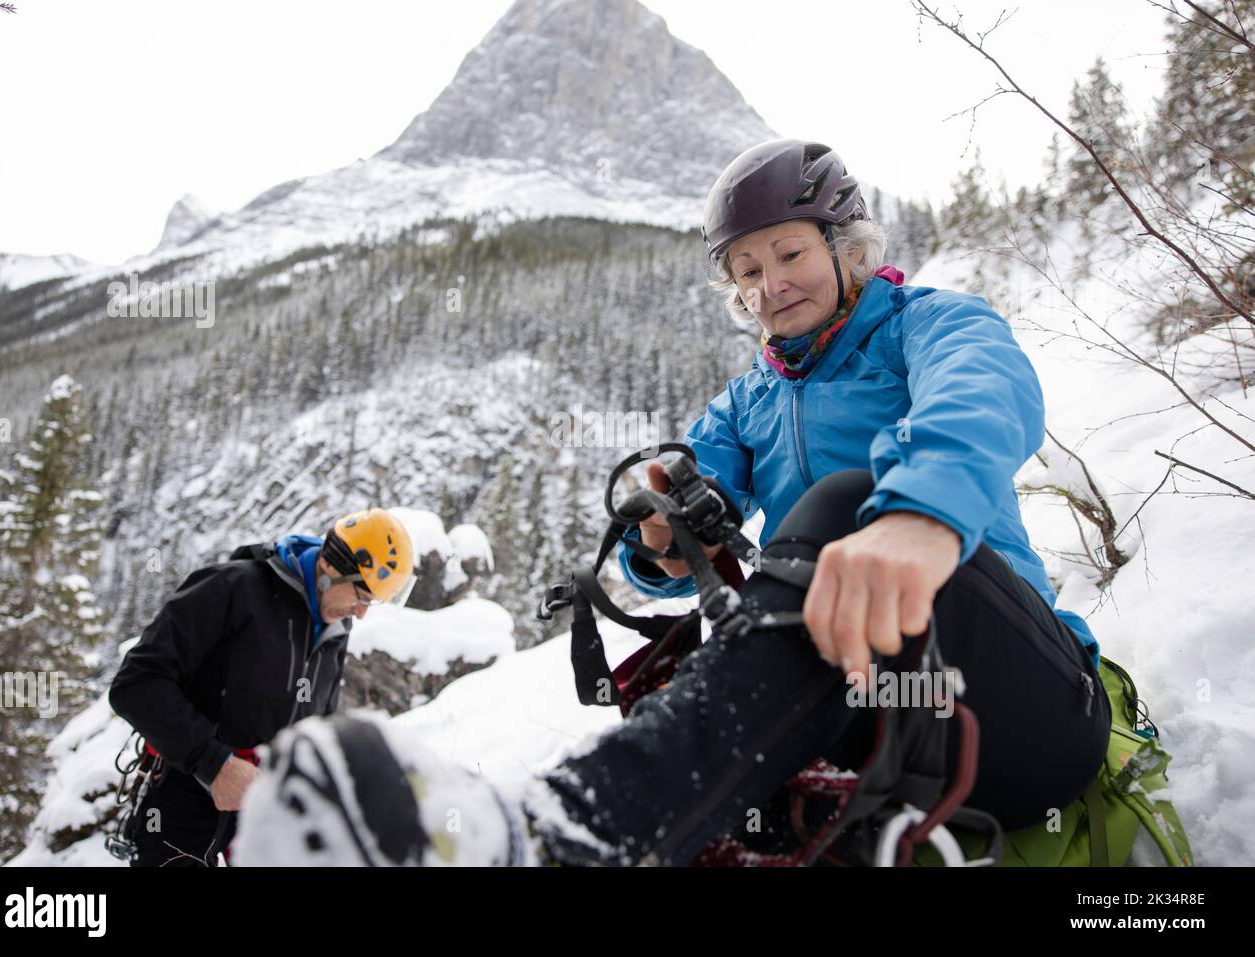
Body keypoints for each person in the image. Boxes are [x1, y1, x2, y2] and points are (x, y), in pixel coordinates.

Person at [232, 139, 1113, 867]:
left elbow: (986, 393)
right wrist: (657, 538)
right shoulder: (745, 406)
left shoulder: (934, 325)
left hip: (1014, 704)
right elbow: (658, 546)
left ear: (848, 248)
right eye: (748, 270)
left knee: (845, 500)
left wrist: (915, 520)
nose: (770, 286)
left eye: (791, 254)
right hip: (867, 713)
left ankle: (562, 829)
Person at [108, 508, 415, 866]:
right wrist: (215, 764)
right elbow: (136, 683)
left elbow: (318, 724)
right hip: (182, 799)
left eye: (370, 602)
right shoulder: (232, 589)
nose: (361, 613)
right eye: (361, 595)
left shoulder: (335, 629)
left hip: (263, 815)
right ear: (331, 566)